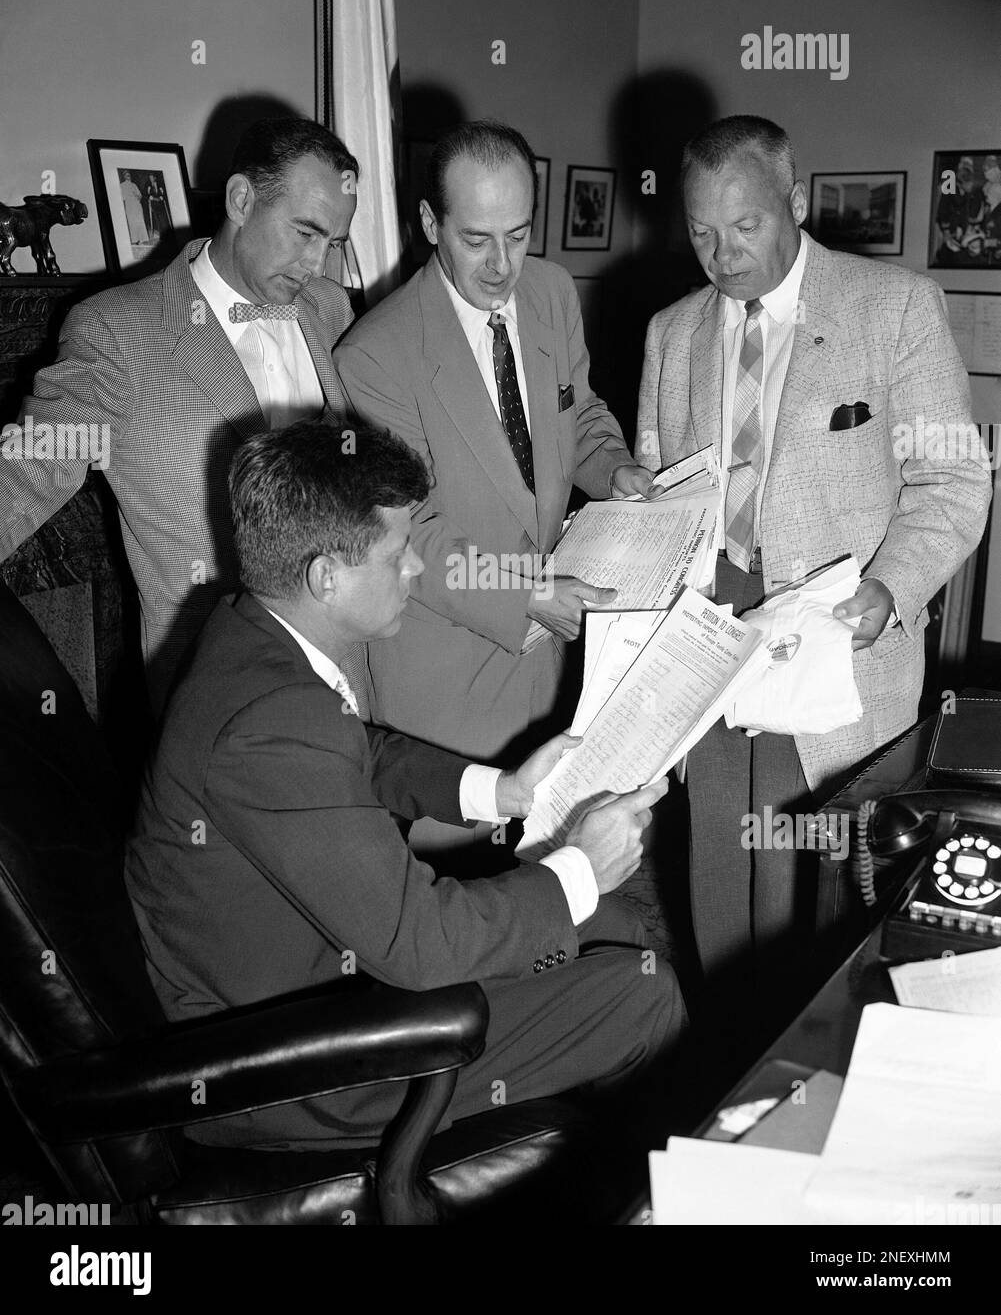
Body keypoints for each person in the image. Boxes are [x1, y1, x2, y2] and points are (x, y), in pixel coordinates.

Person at [124, 419, 685, 1150]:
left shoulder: (248, 633)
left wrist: (503, 789)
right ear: (326, 576)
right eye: (397, 555)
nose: (417, 569)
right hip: (302, 1062)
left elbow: (358, 753)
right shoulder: (268, 723)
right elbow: (420, 945)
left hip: (318, 979)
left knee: (618, 930)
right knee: (641, 991)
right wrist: (580, 865)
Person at [635, 114, 991, 1051]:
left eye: (743, 227)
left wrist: (891, 587)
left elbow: (953, 481)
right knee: (723, 898)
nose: (722, 255)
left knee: (833, 905)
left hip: (839, 659)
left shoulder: (894, 307)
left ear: (794, 201)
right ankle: (726, 1078)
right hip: (711, 663)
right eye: (701, 233)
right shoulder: (670, 334)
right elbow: (660, 505)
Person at [333, 120, 657, 793]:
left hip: (554, 654)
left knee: (554, 859)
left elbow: (581, 412)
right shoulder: (374, 355)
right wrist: (529, 596)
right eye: (475, 239)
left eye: (517, 235)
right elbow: (410, 531)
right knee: (462, 878)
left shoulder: (550, 291)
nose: (500, 266)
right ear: (429, 222)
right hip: (449, 663)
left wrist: (614, 470)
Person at [0, 118, 359, 715]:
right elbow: (25, 475)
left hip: (349, 688)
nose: (317, 265)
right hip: (218, 703)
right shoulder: (117, 331)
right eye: (305, 233)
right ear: (242, 200)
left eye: (334, 243)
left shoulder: (329, 309)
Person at [119, 170, 149, 248]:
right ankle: (135, 240)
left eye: (129, 175)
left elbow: (140, 195)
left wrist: (137, 196)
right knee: (132, 222)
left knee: (139, 220)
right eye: (126, 175)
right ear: (124, 176)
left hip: (136, 205)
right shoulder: (121, 185)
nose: (128, 176)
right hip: (129, 206)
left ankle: (142, 239)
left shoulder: (134, 185)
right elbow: (122, 198)